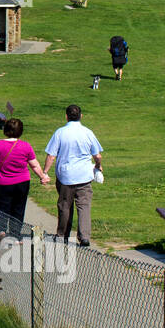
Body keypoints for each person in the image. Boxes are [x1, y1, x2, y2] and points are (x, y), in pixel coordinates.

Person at [43, 104, 104, 246]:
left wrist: (45, 172)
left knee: (65, 206)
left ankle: (62, 235)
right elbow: (97, 155)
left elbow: (51, 155)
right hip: (84, 176)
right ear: (81, 116)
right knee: (84, 206)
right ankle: (84, 237)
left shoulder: (60, 133)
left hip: (66, 177)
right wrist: (98, 166)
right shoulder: (88, 132)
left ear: (66, 116)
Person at [0, 118, 50, 233]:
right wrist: (42, 176)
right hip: (22, 183)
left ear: (5, 130)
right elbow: (34, 165)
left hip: (3, 183)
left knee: (1, 208)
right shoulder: (26, 146)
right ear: (21, 131)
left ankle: (2, 230)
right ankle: (15, 234)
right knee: (18, 208)